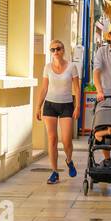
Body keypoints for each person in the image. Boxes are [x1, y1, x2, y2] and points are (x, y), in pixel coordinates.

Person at [34, 39, 80, 184]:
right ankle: (54, 172)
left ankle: (69, 160)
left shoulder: (72, 67)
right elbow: (44, 88)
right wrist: (38, 106)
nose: (56, 52)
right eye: (52, 50)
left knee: (66, 141)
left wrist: (77, 106)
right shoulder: (47, 67)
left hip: (66, 105)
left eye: (58, 49)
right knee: (52, 139)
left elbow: (77, 89)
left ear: (63, 50)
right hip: (50, 105)